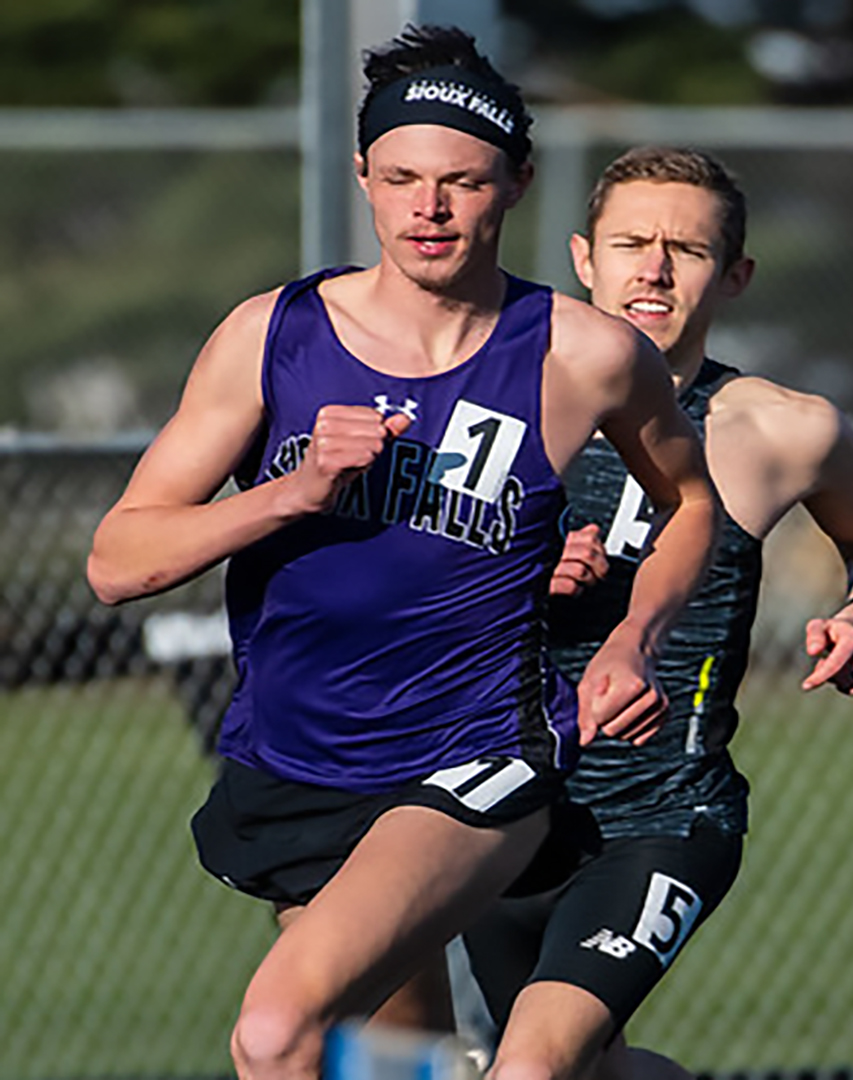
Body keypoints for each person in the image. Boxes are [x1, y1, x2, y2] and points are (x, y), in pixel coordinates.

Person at [85, 27, 716, 1080]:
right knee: (403, 1063)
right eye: (403, 179)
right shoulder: (271, 336)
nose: (428, 210)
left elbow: (691, 501)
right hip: (297, 758)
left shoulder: (585, 354)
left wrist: (635, 640)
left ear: (514, 185)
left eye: (461, 182)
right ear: (364, 180)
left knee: (278, 1032)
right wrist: (291, 493)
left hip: (475, 755)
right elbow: (120, 559)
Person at [458, 146, 853, 1080]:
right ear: (585, 258)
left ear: (735, 274)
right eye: (632, 243)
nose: (654, 269)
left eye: (687, 249)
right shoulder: (496, 402)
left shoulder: (784, 426)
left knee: (531, 1070)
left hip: (664, 817)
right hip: (496, 808)